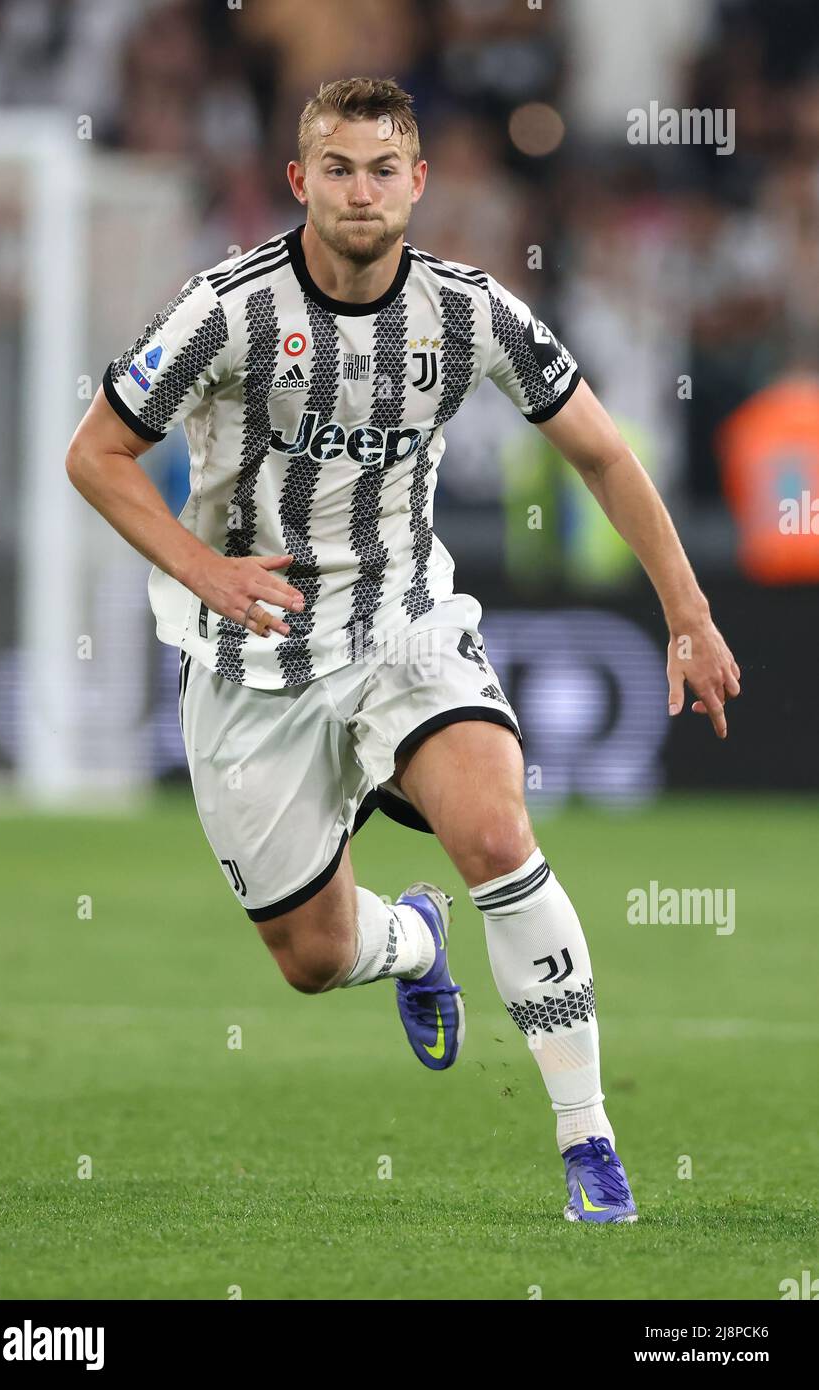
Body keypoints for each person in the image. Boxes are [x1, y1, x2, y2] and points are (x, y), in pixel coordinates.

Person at [66, 77, 741, 1224]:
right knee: (313, 956)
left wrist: (686, 606)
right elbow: (96, 456)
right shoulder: (222, 309)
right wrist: (206, 568)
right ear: (300, 181)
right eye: (338, 167)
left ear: (418, 182)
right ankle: (410, 938)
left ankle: (589, 1147)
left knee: (493, 831)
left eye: (384, 168)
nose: (362, 190)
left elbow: (604, 453)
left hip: (403, 629)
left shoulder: (469, 311)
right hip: (251, 658)